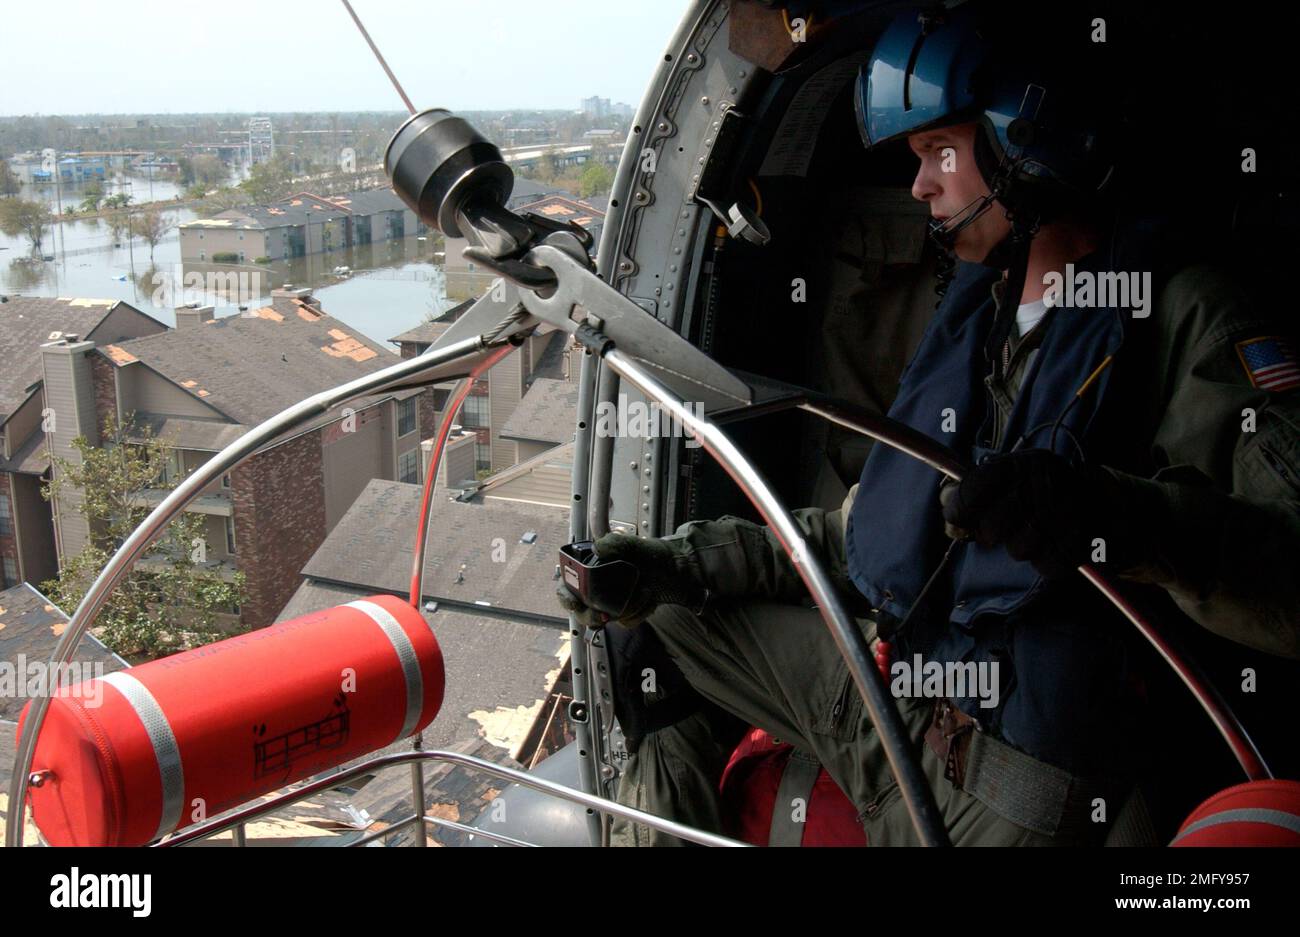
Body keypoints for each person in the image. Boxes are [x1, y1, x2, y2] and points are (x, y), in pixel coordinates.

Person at [559, 6, 1300, 846]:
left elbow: (1288, 588)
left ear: (1024, 134)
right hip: (893, 712)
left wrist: (1111, 517)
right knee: (655, 622)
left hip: (1021, 789)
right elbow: (858, 532)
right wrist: (672, 561)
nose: (920, 187)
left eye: (937, 152)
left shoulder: (1187, 316)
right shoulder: (980, 308)